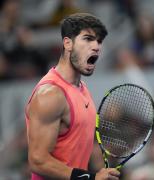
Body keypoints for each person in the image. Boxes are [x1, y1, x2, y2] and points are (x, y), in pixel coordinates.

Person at [25, 13, 120, 180]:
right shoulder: (50, 94)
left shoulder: (82, 89)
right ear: (68, 43)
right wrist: (91, 178)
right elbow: (38, 161)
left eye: (99, 41)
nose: (96, 46)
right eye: (88, 39)